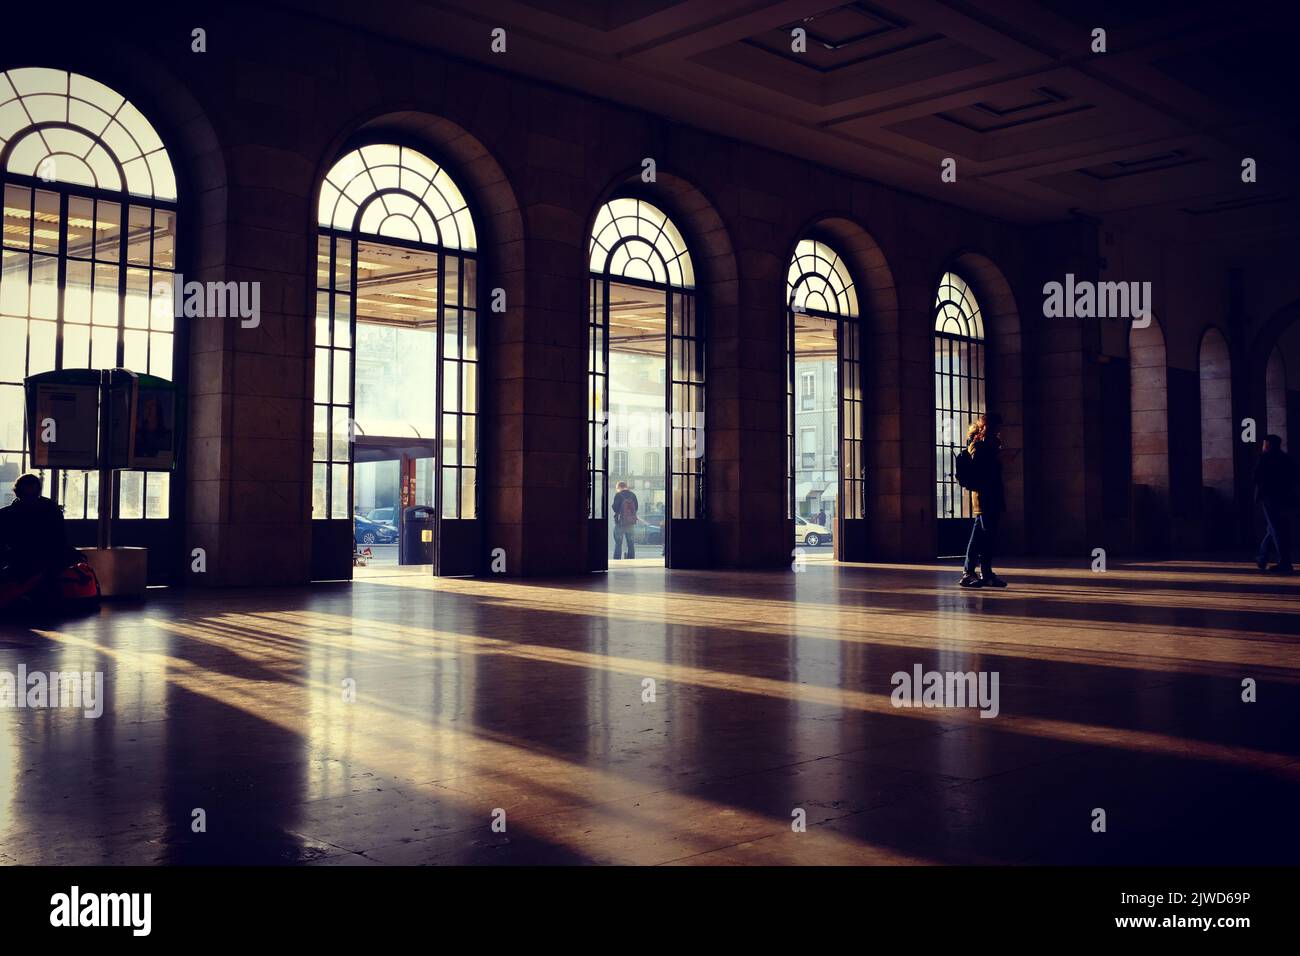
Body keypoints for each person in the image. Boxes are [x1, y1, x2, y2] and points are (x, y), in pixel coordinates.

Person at [0, 474, 77, 607]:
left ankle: (20, 594)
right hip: (45, 559)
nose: (30, 500)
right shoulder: (51, 510)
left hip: (21, 558)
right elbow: (60, 539)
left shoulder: (6, 514)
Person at [959, 413, 1008, 589]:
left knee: (980, 535)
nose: (998, 432)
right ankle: (980, 573)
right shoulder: (980, 447)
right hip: (986, 496)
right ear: (987, 428)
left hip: (988, 495)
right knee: (986, 536)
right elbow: (982, 471)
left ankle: (974, 572)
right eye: (996, 428)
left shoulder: (988, 446)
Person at [1254, 433, 1297, 574]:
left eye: (1264, 443)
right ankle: (1262, 557)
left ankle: (1285, 563)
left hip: (1269, 499)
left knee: (1277, 530)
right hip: (1284, 499)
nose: (1263, 446)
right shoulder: (1286, 459)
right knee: (1273, 528)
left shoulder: (1265, 458)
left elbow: (1256, 478)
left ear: (1268, 445)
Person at [611, 481, 639, 560]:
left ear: (619, 487)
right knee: (630, 544)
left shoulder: (618, 495)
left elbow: (615, 508)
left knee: (618, 544)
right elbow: (636, 508)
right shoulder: (633, 495)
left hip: (620, 523)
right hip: (630, 523)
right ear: (626, 486)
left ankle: (617, 561)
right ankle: (631, 560)